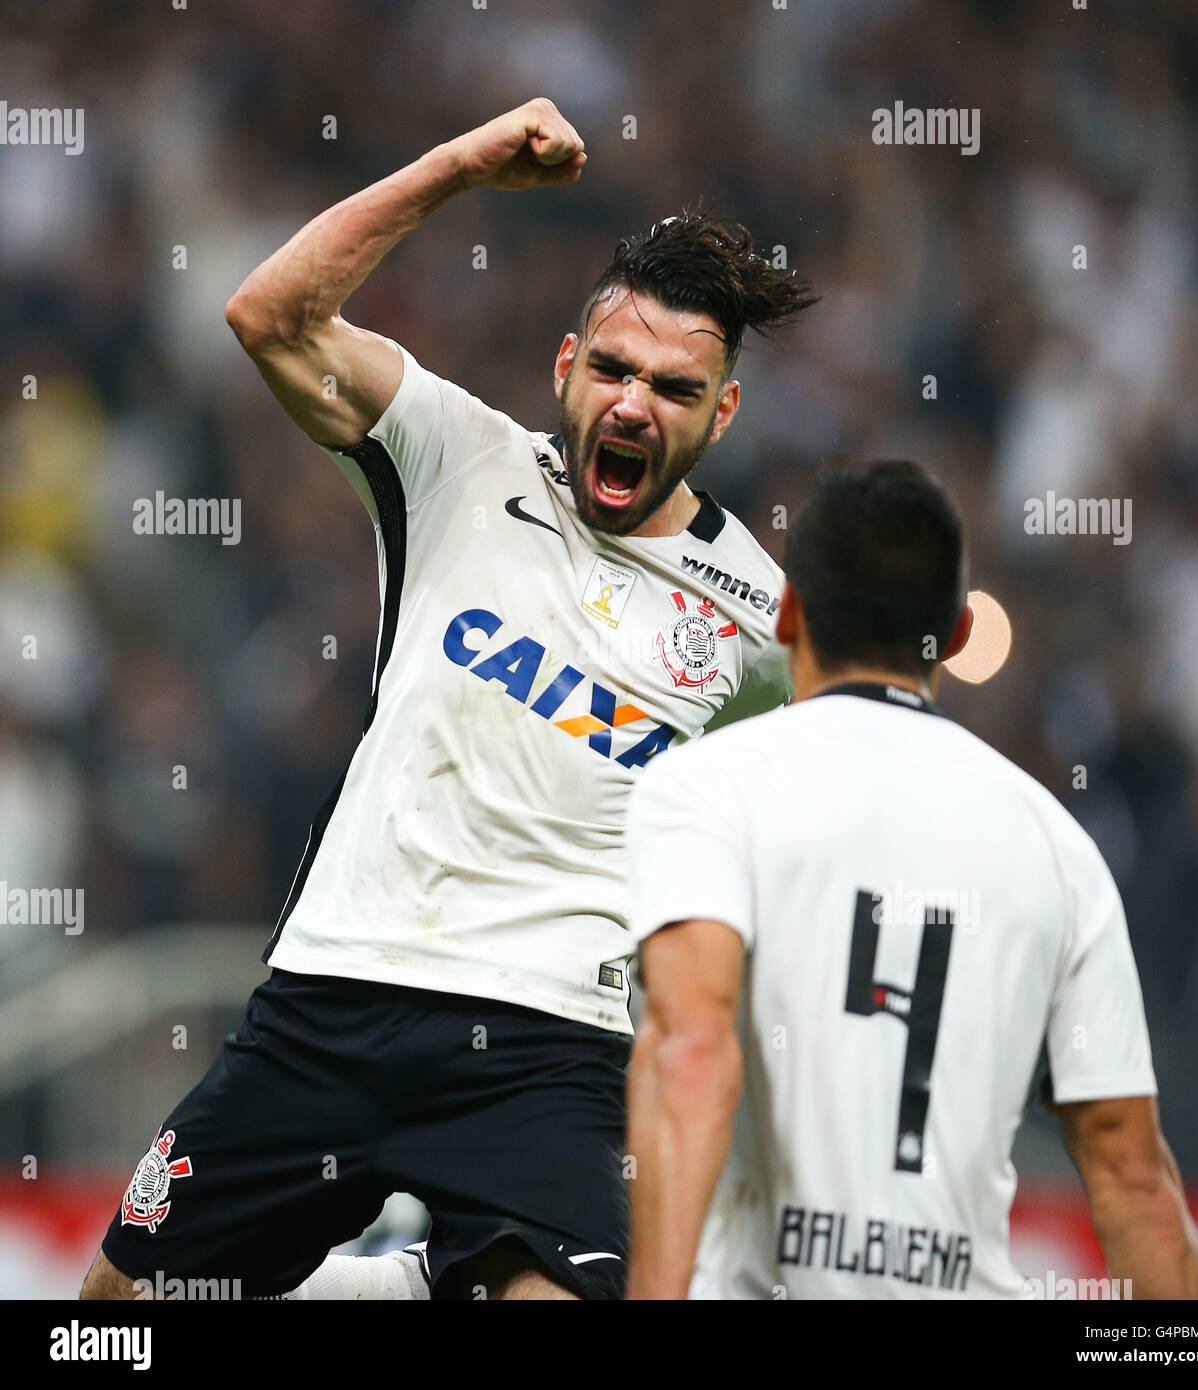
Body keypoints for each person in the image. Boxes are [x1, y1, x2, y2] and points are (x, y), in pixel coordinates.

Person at [80, 97, 818, 1302]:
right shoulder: (456, 454)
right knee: (103, 1328)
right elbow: (265, 314)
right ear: (565, 368)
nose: (634, 404)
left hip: (546, 1049)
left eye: (676, 389)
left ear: (721, 413)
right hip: (337, 988)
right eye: (616, 369)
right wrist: (461, 166)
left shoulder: (763, 622)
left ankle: (407, 1284)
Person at [623, 457, 1198, 1300]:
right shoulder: (1055, 843)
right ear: (960, 633)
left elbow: (690, 1052)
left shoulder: (705, 789)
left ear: (787, 612)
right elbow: (1133, 1180)